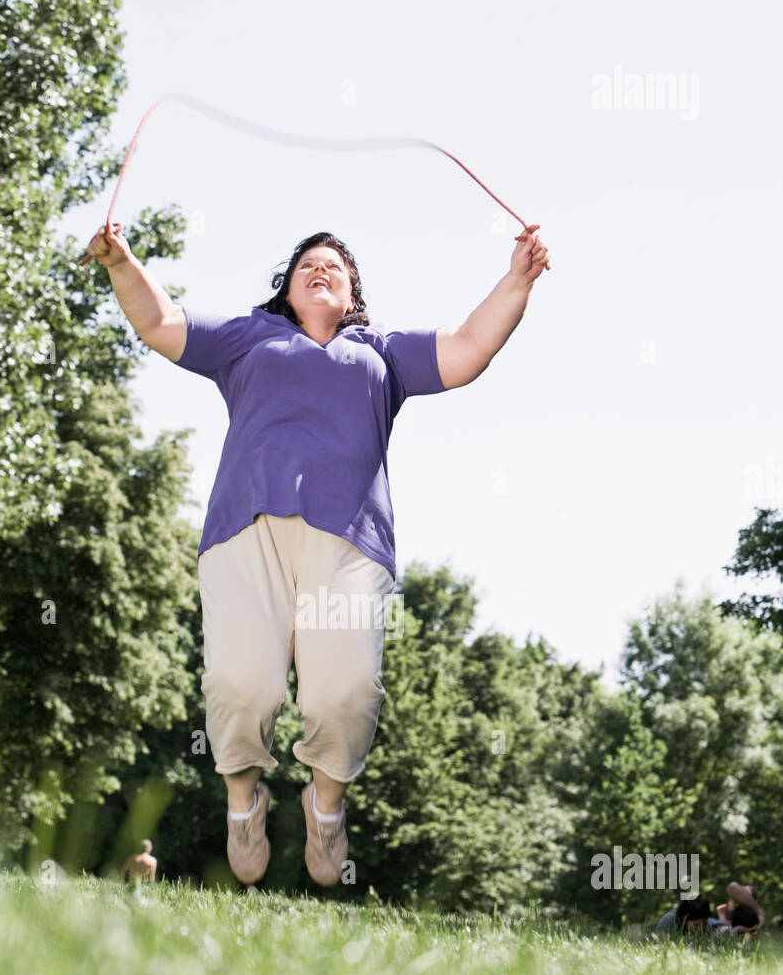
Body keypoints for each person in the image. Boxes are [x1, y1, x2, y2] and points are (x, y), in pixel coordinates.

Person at [85, 219, 550, 886]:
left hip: (349, 540)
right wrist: (120, 261)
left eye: (335, 264)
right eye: (307, 263)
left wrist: (518, 279)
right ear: (288, 289)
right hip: (246, 529)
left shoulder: (382, 353)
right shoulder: (249, 337)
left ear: (354, 291)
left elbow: (472, 346)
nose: (321, 268)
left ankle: (324, 808)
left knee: (346, 692)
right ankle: (243, 802)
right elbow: (159, 323)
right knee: (242, 685)